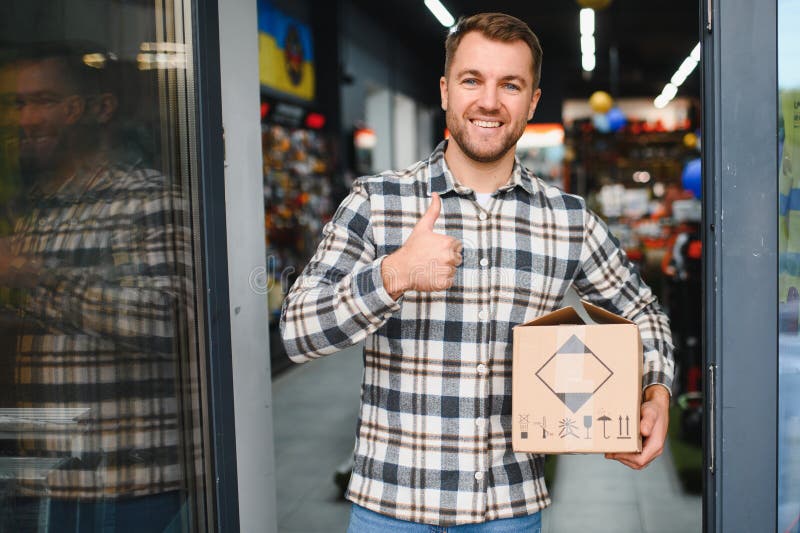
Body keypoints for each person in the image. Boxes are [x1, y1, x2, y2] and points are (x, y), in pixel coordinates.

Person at [281, 12, 673, 531]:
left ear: (532, 101)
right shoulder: (377, 202)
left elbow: (642, 310)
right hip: (391, 509)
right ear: (446, 91)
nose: (489, 101)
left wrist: (657, 389)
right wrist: (392, 275)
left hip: (508, 509)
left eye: (510, 84)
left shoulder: (568, 218)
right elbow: (297, 332)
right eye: (472, 80)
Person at [0, 42, 196, 532]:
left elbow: (169, 320)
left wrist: (30, 274)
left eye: (43, 100)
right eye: (15, 104)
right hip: (44, 477)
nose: (25, 119)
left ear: (99, 108)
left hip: (126, 485)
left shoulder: (146, 200)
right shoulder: (34, 206)